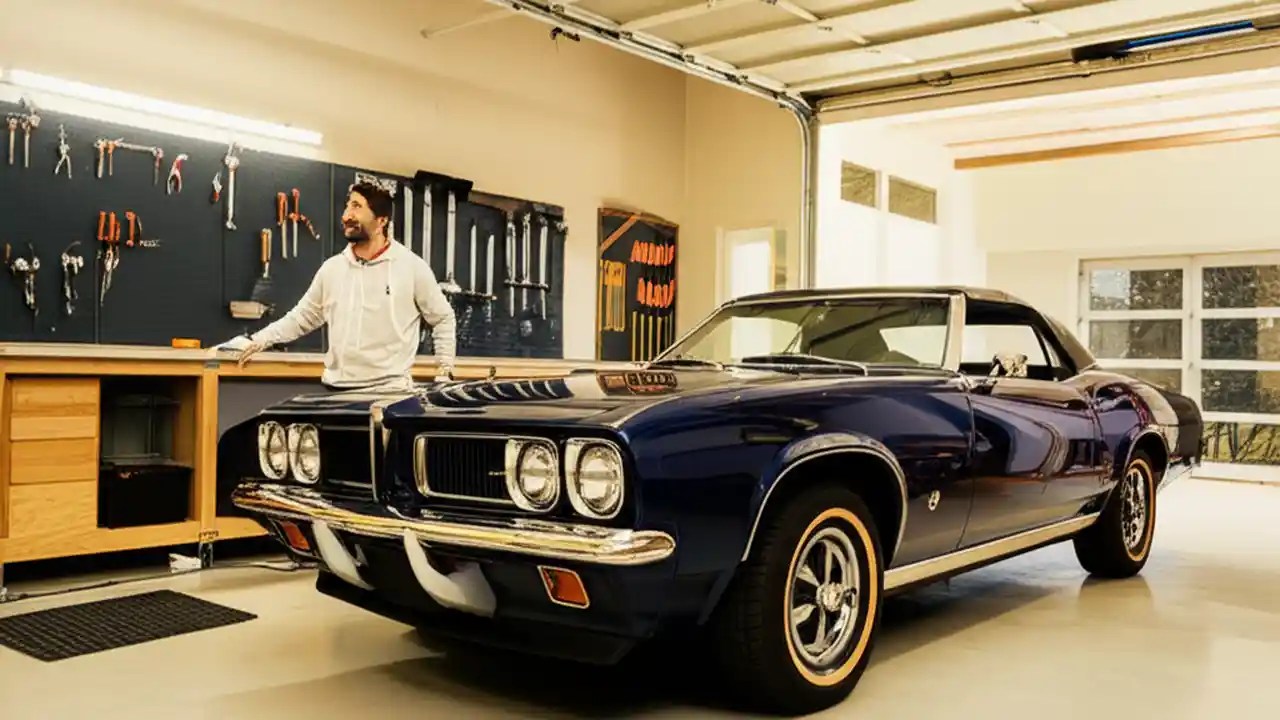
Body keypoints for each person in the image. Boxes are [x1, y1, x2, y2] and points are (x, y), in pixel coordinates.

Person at [234, 182, 457, 388]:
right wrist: (259, 340)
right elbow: (302, 317)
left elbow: (443, 318)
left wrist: (445, 370)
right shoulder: (332, 269)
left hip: (390, 394)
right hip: (336, 390)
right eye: (347, 206)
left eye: (357, 207)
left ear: (381, 221)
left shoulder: (412, 267)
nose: (346, 215)